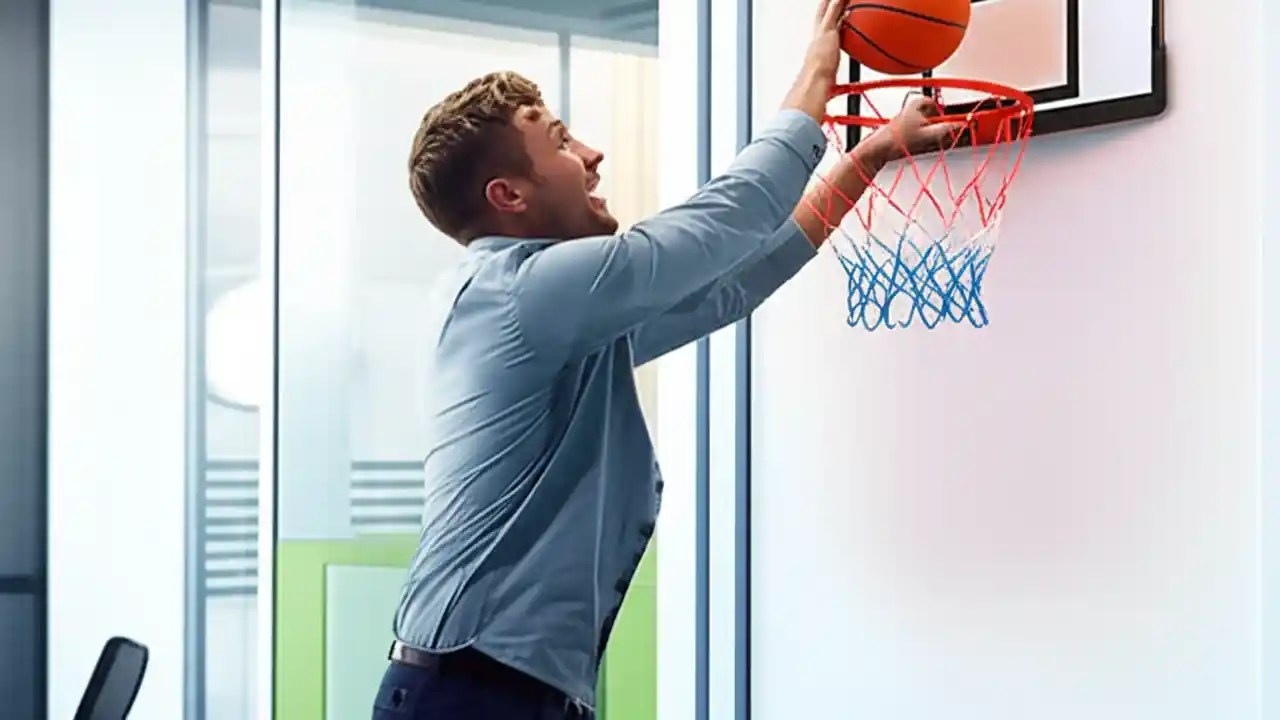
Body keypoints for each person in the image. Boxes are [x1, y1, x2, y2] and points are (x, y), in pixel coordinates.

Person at [372, 1, 957, 717]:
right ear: (509, 196)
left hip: (491, 688)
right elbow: (722, 219)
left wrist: (865, 160)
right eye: (560, 142)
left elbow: (726, 287)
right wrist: (817, 70)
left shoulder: (547, 318)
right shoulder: (524, 295)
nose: (591, 155)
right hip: (470, 692)